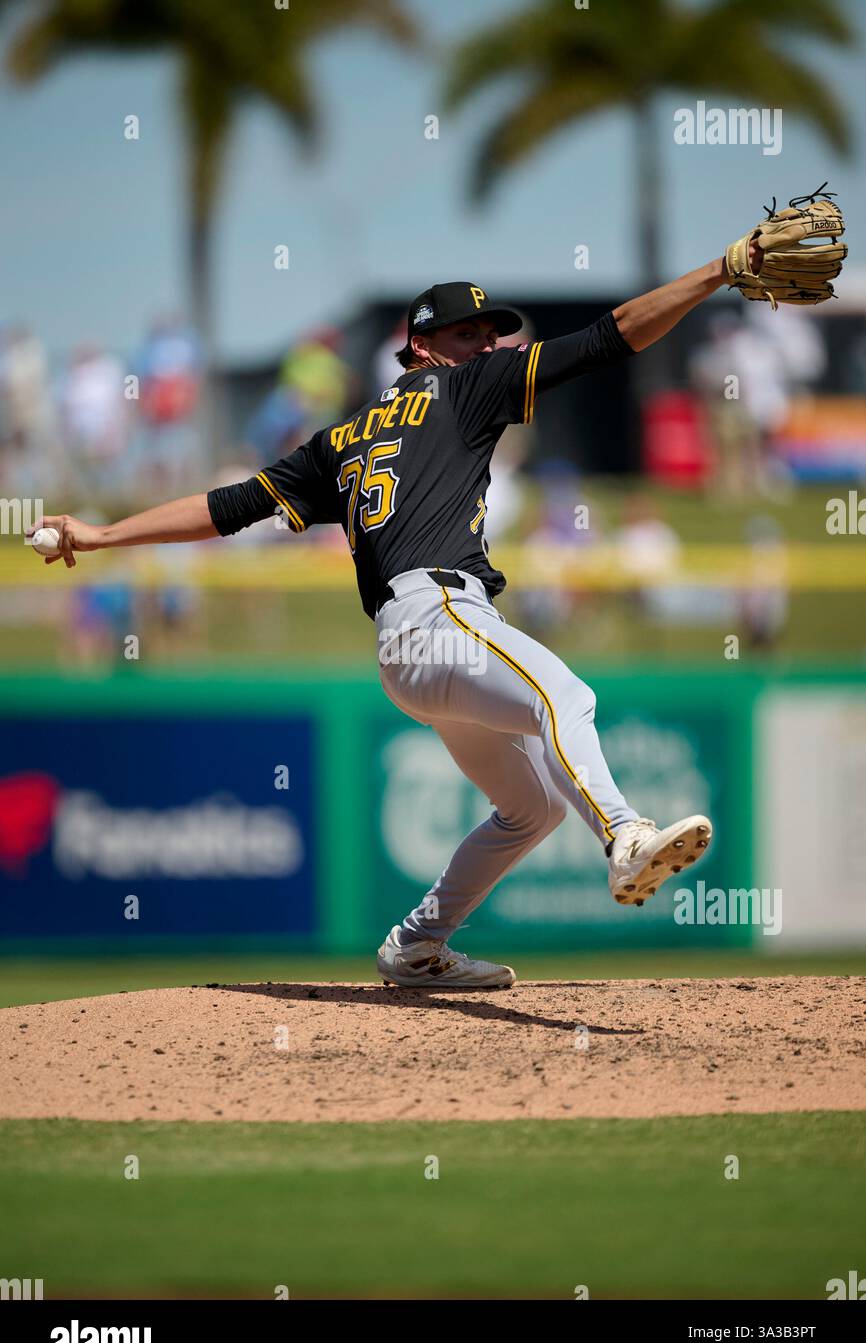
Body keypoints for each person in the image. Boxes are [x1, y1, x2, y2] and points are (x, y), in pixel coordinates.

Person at [33, 249, 764, 990]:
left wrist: (100, 535)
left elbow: (223, 508)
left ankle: (416, 946)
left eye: (491, 334)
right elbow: (612, 336)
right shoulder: (470, 388)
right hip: (440, 613)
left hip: (407, 651)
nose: (486, 345)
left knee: (530, 807)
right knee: (565, 696)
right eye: (467, 333)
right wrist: (721, 270)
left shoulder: (339, 440)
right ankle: (624, 833)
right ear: (421, 344)